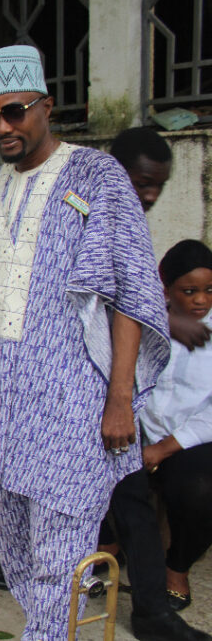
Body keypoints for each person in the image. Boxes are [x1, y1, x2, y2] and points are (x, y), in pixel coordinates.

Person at [0, 45, 170, 640]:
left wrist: (119, 401)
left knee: (64, 550)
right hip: (11, 403)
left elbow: (130, 295)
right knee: (14, 540)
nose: (3, 127)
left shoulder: (98, 177)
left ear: (46, 106)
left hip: (73, 402)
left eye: (15, 111)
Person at [107, 240, 212, 641]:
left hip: (190, 441)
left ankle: (177, 566)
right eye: (189, 291)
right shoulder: (139, 319)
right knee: (104, 464)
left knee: (200, 487)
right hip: (137, 431)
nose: (201, 300)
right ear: (165, 288)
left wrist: (164, 447)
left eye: (210, 290)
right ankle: (109, 546)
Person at [109, 128, 209, 351]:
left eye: (160, 185)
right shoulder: (87, 220)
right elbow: (97, 296)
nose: (152, 196)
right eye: (143, 184)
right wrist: (167, 322)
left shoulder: (132, 224)